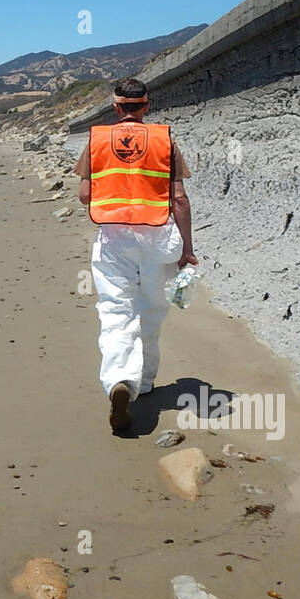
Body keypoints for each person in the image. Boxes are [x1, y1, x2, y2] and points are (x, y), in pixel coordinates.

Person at [73, 78, 198, 432]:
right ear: (146, 106)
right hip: (157, 234)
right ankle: (143, 382)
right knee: (152, 308)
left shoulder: (97, 140)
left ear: (116, 108)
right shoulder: (164, 140)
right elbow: (179, 200)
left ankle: (119, 381)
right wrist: (187, 249)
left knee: (116, 311)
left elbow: (85, 197)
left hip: (114, 237)